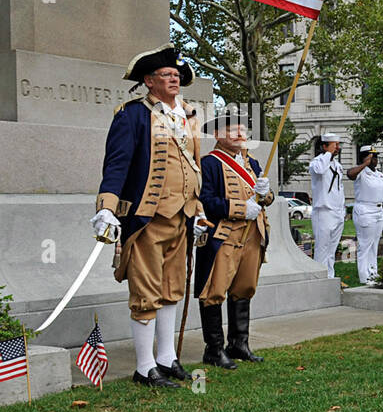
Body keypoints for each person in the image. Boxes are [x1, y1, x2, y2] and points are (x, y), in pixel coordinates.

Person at [92, 46, 206, 387]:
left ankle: (166, 358)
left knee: (172, 289)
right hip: (146, 217)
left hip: (182, 217)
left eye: (177, 76)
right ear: (148, 81)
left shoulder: (189, 116)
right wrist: (106, 208)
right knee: (146, 292)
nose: (174, 79)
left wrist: (198, 210)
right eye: (166, 76)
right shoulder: (132, 115)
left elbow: (194, 167)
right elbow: (117, 164)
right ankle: (144, 368)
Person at [194, 114, 273, 369]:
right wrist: (240, 208)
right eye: (232, 130)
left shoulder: (255, 163)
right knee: (213, 291)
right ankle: (214, 350)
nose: (240, 134)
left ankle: (239, 344)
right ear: (217, 135)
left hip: (252, 235)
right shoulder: (209, 164)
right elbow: (205, 201)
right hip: (223, 236)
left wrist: (266, 194)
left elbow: (265, 200)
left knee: (244, 288)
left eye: (242, 129)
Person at [348, 145, 383, 285]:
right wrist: (365, 163)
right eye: (372, 156)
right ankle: (364, 276)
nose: (375, 159)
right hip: (365, 210)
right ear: (365, 157)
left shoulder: (379, 174)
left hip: (378, 210)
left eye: (375, 157)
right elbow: (350, 174)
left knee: (374, 244)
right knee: (365, 245)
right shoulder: (360, 172)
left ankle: (373, 273)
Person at [308, 133, 345, 276]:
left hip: (337, 212)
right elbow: (319, 170)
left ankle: (330, 277)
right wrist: (327, 154)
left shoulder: (337, 165)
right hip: (323, 211)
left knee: (331, 250)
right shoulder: (317, 162)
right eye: (334, 145)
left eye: (338, 145)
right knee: (322, 249)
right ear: (324, 146)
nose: (337, 148)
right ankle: (320, 278)